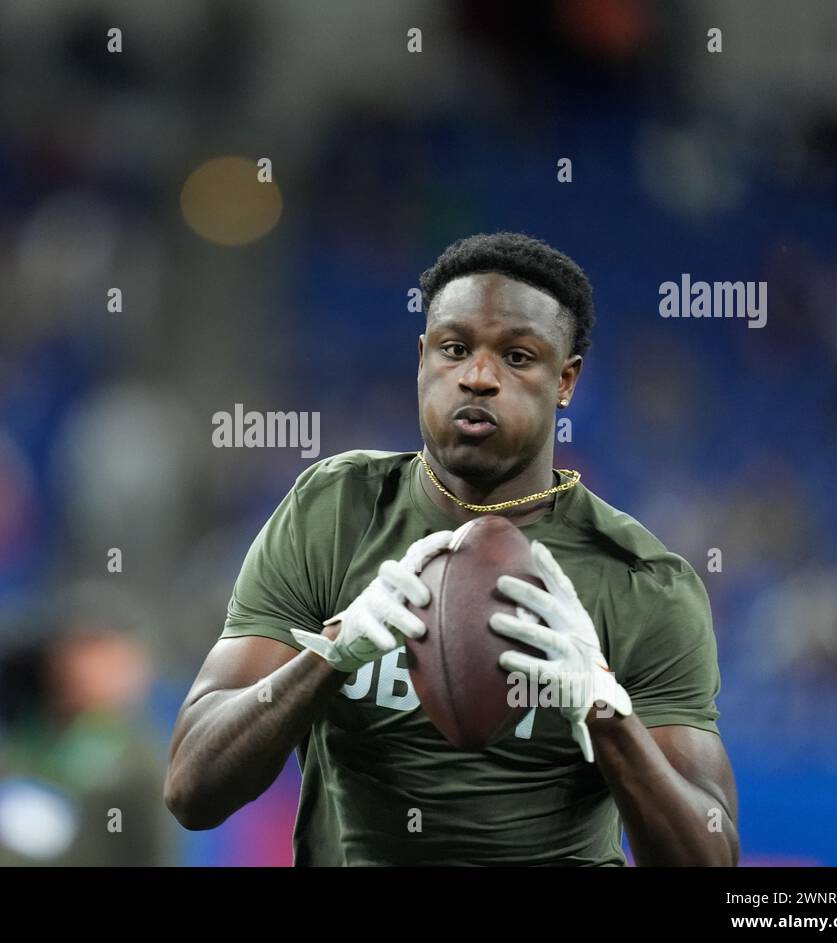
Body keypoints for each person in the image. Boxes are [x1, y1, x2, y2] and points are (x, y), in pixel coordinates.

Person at [165, 232, 739, 866]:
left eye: (518, 357)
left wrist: (607, 716)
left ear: (566, 380)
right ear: (422, 359)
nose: (478, 377)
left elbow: (709, 859)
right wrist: (328, 656)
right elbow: (193, 789)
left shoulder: (640, 579)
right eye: (455, 349)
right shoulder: (334, 512)